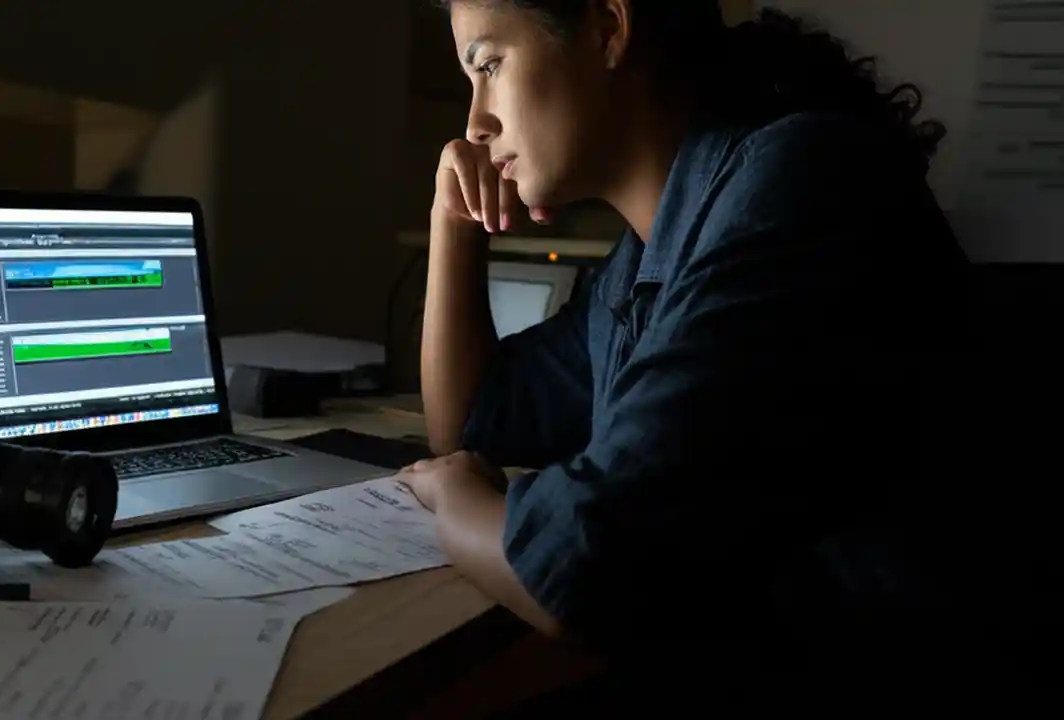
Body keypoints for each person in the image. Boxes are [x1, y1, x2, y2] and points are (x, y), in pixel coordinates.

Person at [396, 0, 1021, 688]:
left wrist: (459, 501)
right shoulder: (645, 256)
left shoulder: (799, 184)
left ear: (608, 31)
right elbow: (475, 421)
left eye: (489, 64)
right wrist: (452, 219)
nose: (474, 123)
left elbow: (588, 573)